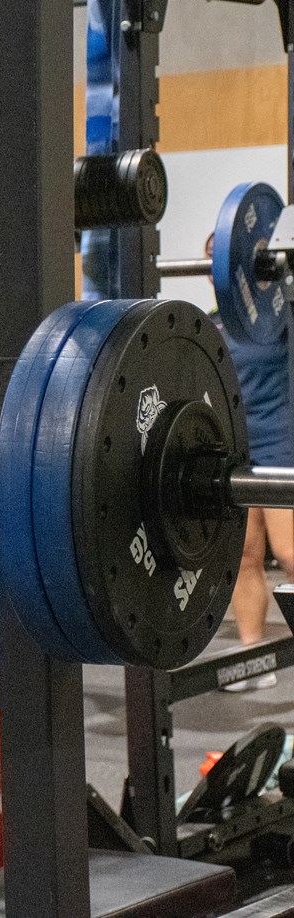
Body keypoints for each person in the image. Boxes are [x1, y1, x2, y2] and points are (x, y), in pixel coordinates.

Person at [207, 233, 294, 688]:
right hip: (235, 448)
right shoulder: (210, 325)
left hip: (280, 443)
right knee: (244, 556)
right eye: (211, 260)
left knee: (290, 553)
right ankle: (253, 656)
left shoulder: (280, 319)